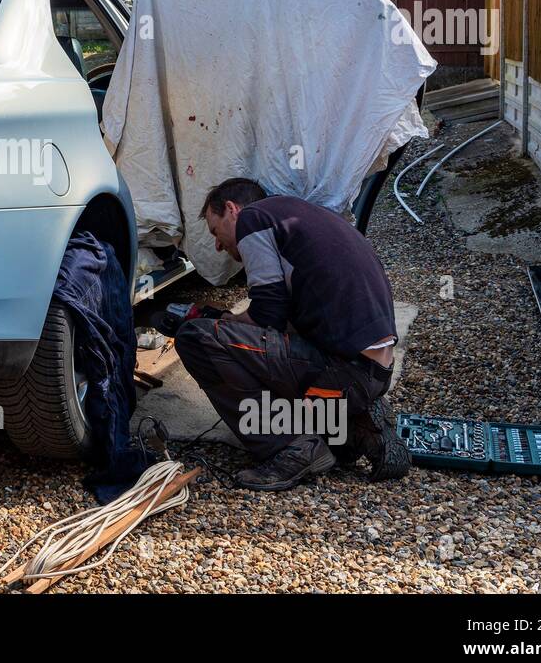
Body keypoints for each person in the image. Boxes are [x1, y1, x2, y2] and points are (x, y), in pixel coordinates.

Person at [174, 177, 410, 491]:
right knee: (255, 346)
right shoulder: (302, 217)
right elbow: (286, 320)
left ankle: (292, 448)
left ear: (232, 210)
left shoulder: (252, 219)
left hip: (345, 369)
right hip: (375, 369)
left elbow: (266, 313)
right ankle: (356, 422)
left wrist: (224, 322)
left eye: (216, 231)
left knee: (196, 337)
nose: (218, 245)